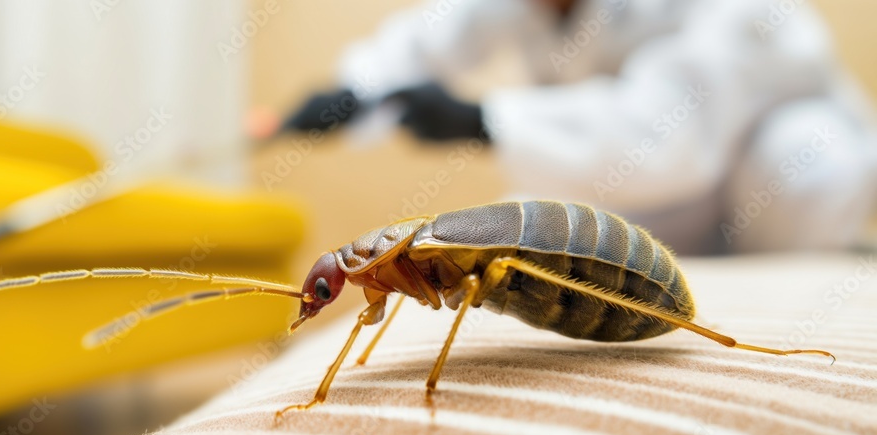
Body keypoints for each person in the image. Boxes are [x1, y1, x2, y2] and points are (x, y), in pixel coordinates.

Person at [283, 0, 877, 254]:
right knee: (525, 231)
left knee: (800, 156)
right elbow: (432, 37)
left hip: (768, 170)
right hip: (667, 192)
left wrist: (480, 119)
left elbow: (668, 135)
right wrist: (353, 95)